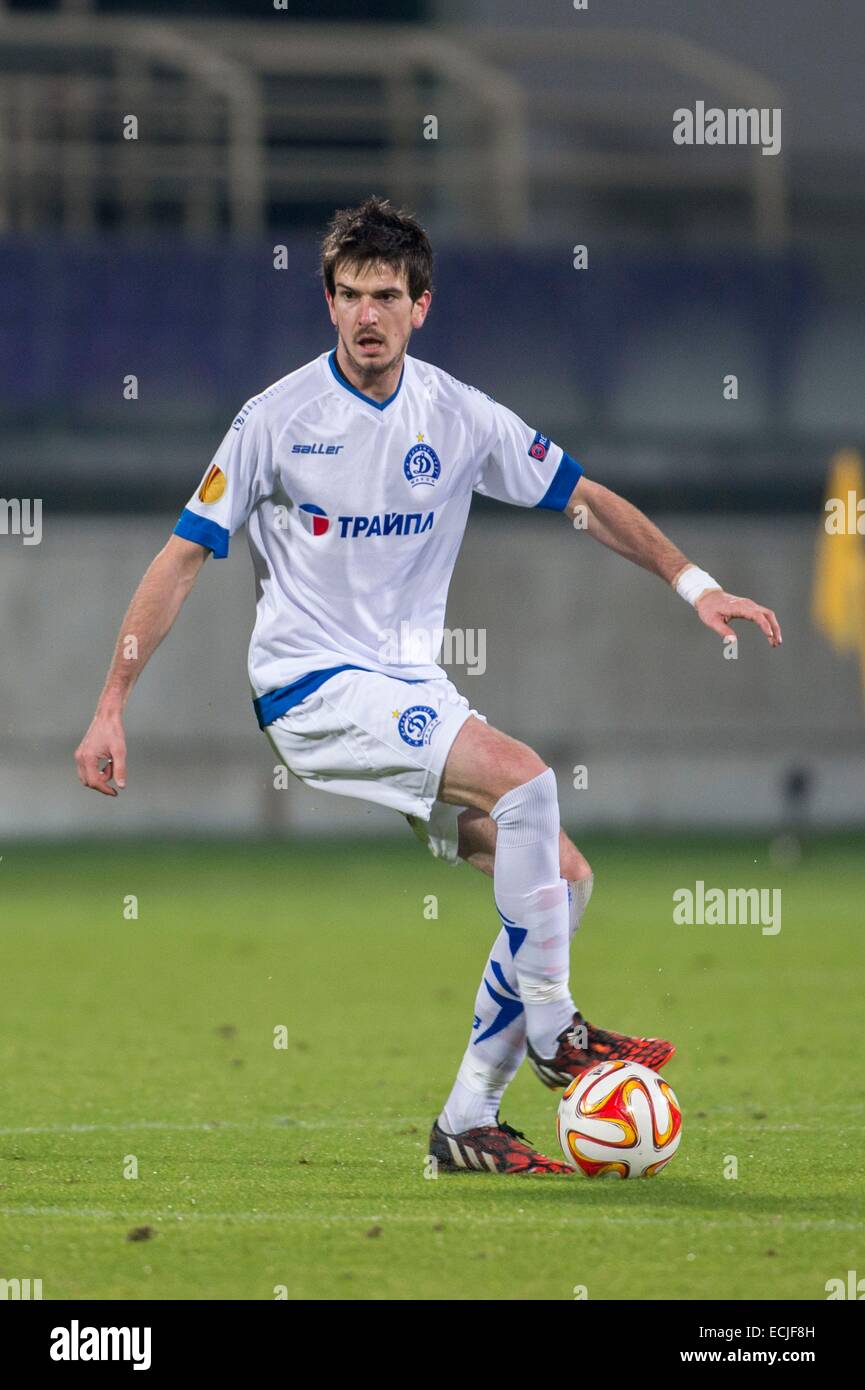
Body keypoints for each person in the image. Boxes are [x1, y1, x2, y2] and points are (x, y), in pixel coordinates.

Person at [76, 197, 782, 1175]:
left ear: (422, 305)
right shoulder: (274, 421)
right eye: (353, 294)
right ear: (328, 302)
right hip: (311, 689)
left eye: (389, 296)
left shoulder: (457, 415)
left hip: (411, 691)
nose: (370, 314)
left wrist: (692, 583)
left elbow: (582, 498)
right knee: (528, 781)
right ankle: (554, 1034)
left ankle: (464, 1123)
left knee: (559, 884)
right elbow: (182, 557)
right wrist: (111, 705)